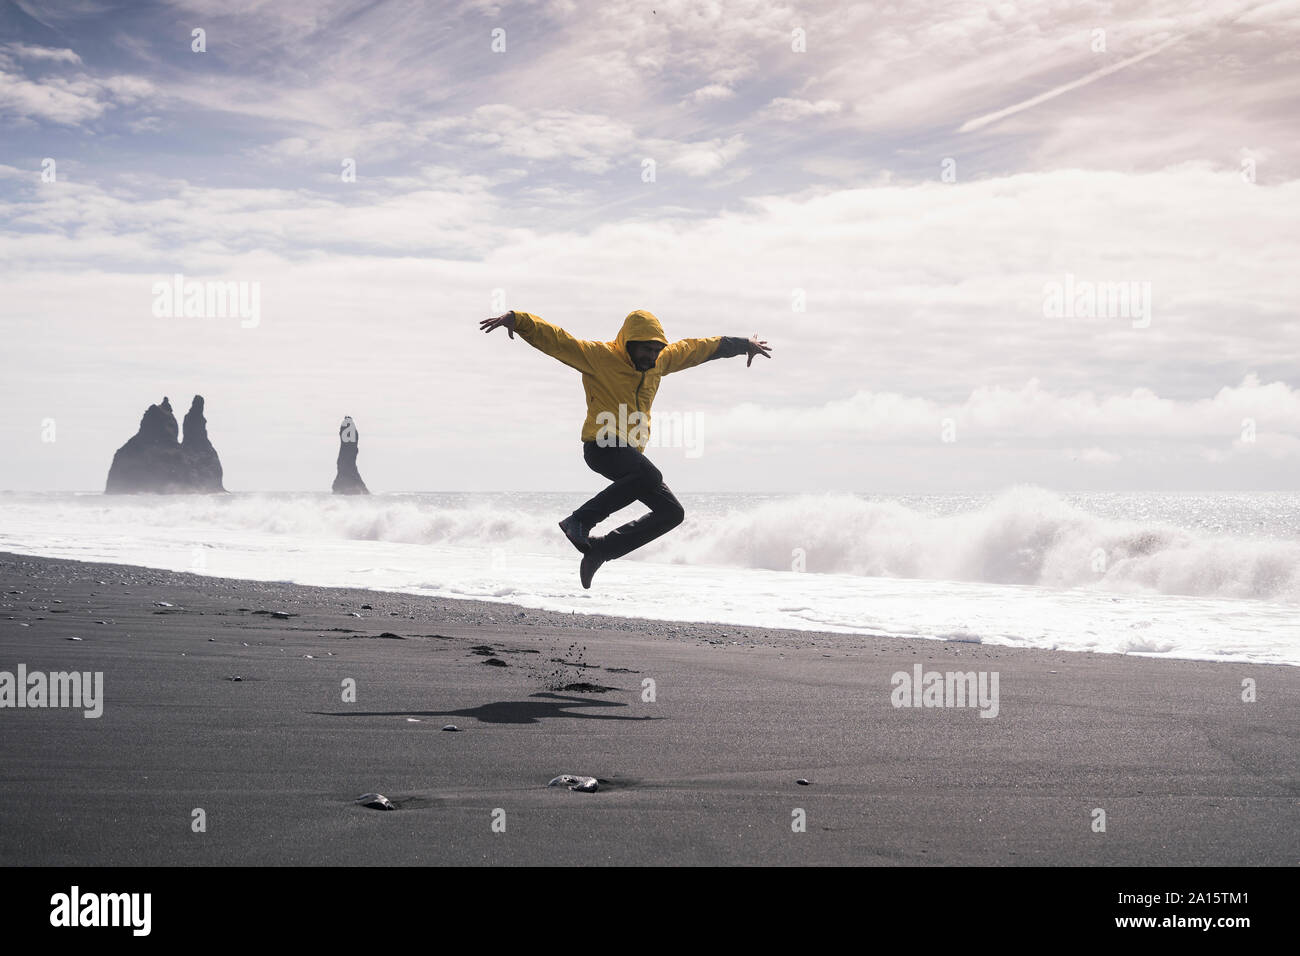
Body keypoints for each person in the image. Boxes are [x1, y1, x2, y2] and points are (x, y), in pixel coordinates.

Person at [479, 308, 771, 588]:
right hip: (602, 444)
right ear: (629, 343)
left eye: (656, 351)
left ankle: (601, 550)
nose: (652, 357)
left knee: (671, 513)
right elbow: (557, 340)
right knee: (651, 477)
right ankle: (578, 520)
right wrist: (518, 320)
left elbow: (699, 349)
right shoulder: (598, 356)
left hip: (630, 454)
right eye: (646, 350)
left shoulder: (660, 361)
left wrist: (744, 344)